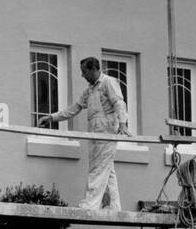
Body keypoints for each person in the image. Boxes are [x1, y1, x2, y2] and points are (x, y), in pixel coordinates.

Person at [37, 56, 130, 210]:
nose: (82, 75)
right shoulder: (91, 89)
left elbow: (119, 102)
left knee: (98, 168)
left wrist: (122, 123)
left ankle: (89, 205)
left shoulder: (108, 82)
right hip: (95, 132)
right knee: (107, 169)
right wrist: (51, 118)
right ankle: (114, 205)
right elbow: (75, 108)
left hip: (106, 132)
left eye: (84, 72)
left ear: (94, 69)